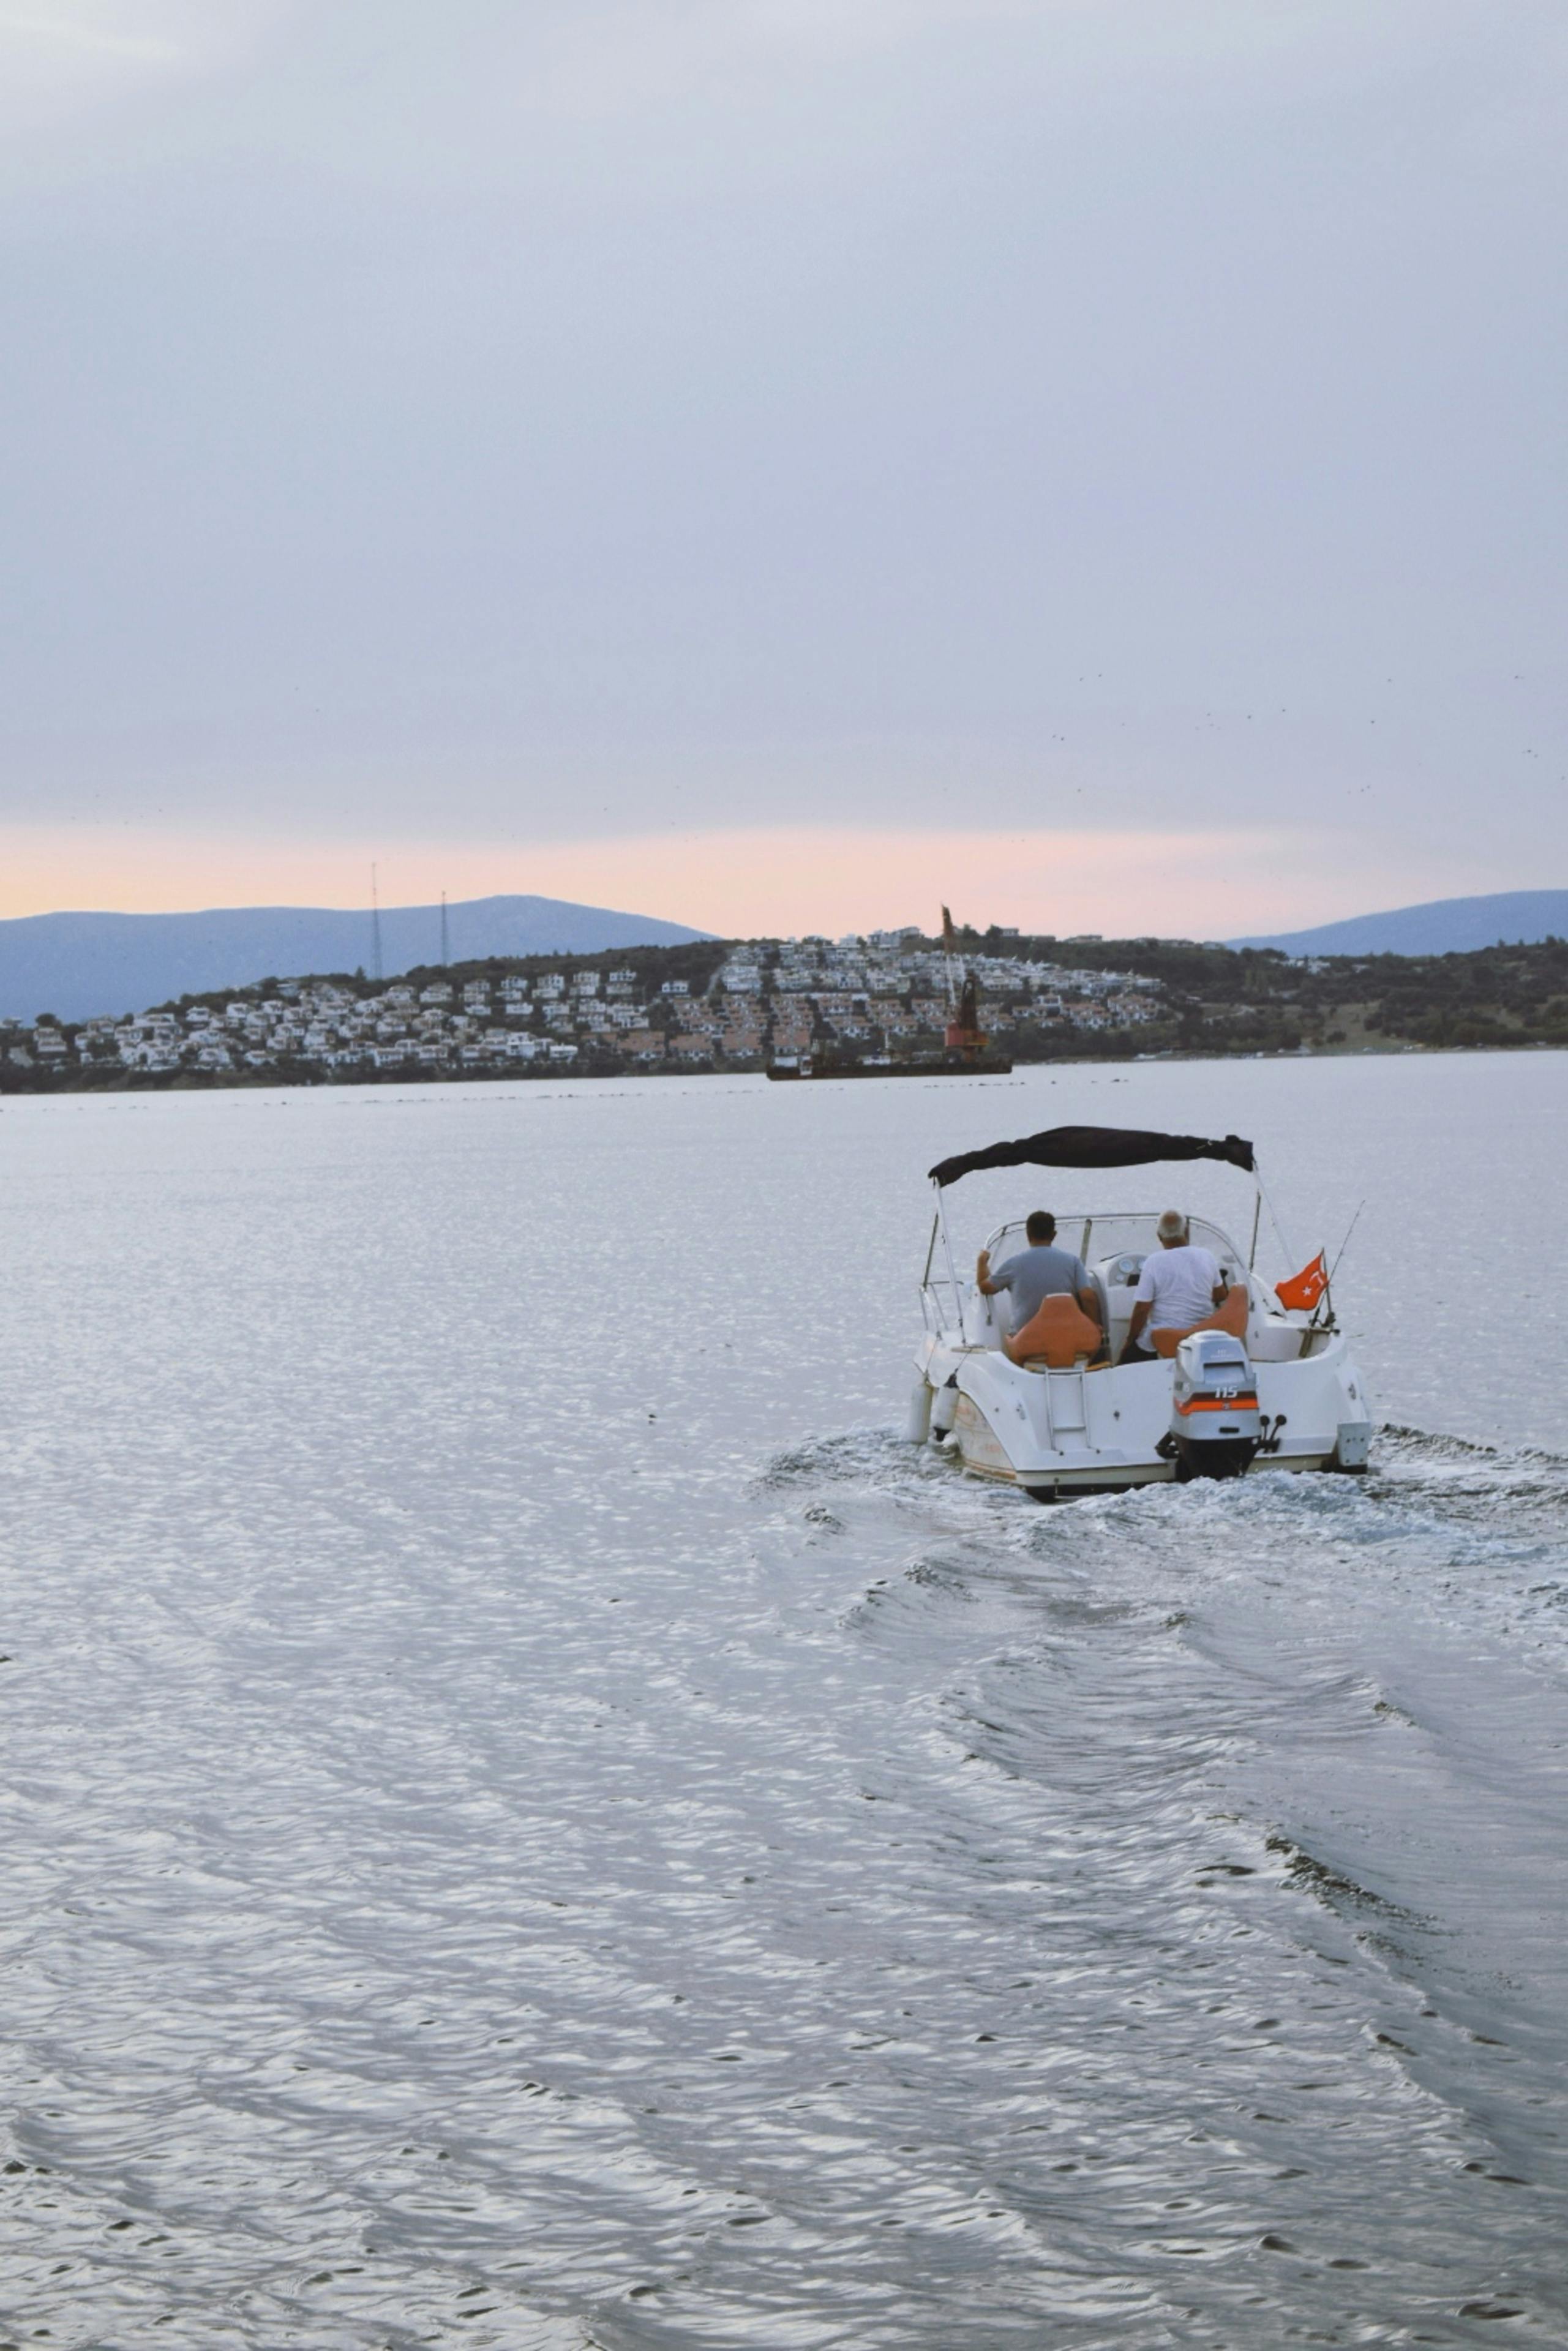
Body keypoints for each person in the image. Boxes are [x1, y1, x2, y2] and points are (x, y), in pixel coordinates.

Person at [1120, 1210, 1228, 1363]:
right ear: (1186, 1231)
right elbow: (1220, 1295)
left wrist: (1129, 1341)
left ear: (1159, 1236)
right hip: (1202, 1333)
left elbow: (1142, 1309)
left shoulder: (1154, 1262)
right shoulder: (1207, 1256)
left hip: (1165, 1337)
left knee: (1126, 1361)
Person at [977, 1212, 1101, 1338]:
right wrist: (1094, 1327)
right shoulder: (1073, 1262)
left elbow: (985, 1287)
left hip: (1025, 1340)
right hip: (1066, 1336)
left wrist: (982, 1261)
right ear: (1054, 1235)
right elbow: (1088, 1297)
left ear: (1028, 1234)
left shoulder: (1013, 1264)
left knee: (1009, 1339)